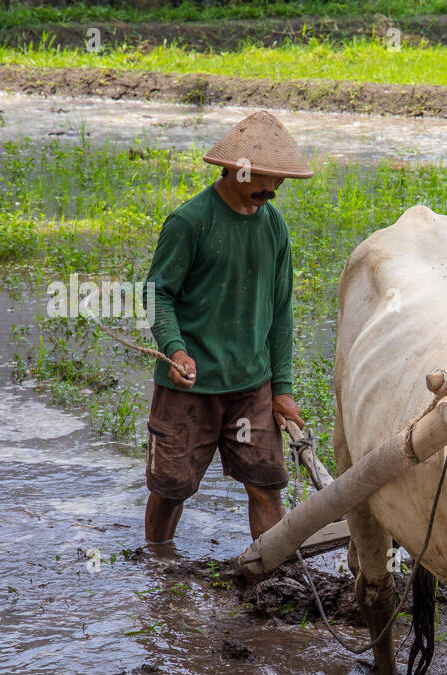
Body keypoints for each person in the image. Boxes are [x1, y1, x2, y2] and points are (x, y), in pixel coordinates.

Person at [142, 110, 311, 545]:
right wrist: (176, 350)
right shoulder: (190, 222)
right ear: (234, 169)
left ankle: (274, 575)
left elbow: (281, 309)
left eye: (279, 181)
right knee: (171, 488)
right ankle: (158, 564)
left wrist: (282, 388)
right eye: (263, 178)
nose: (271, 189)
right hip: (189, 388)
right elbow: (155, 293)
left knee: (266, 483)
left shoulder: (274, 226)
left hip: (251, 384)